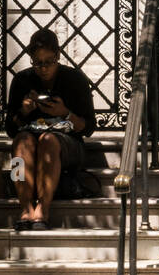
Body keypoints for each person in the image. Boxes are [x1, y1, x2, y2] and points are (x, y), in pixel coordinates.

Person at [5, 29, 97, 231]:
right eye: (38, 63)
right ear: (31, 59)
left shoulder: (74, 79)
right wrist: (24, 110)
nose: (44, 68)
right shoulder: (22, 81)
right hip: (30, 138)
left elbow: (89, 127)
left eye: (49, 62)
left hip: (67, 144)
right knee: (20, 144)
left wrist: (65, 112)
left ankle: (42, 210)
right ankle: (25, 207)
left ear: (58, 56)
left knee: (48, 140)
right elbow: (10, 129)